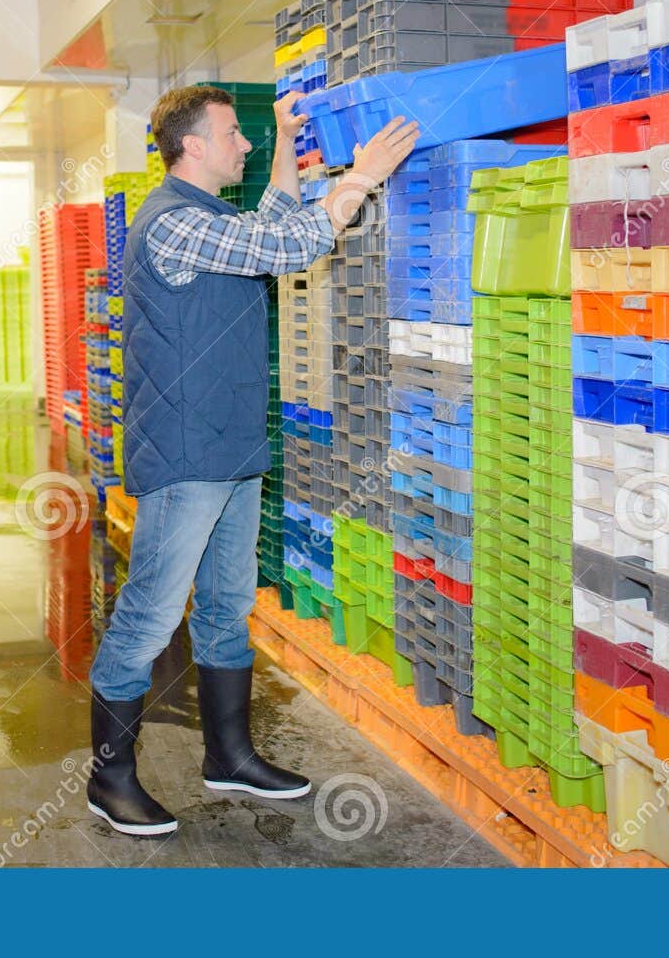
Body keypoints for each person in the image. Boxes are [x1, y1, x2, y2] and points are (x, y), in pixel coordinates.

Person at [86, 83, 421, 835]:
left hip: (230, 442)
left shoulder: (206, 216)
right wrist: (359, 177)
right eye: (236, 134)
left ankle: (229, 756)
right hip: (185, 451)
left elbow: (266, 229)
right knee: (146, 616)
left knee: (226, 608)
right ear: (193, 146)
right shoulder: (170, 222)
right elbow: (286, 247)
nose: (245, 146)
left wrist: (282, 142)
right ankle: (108, 778)